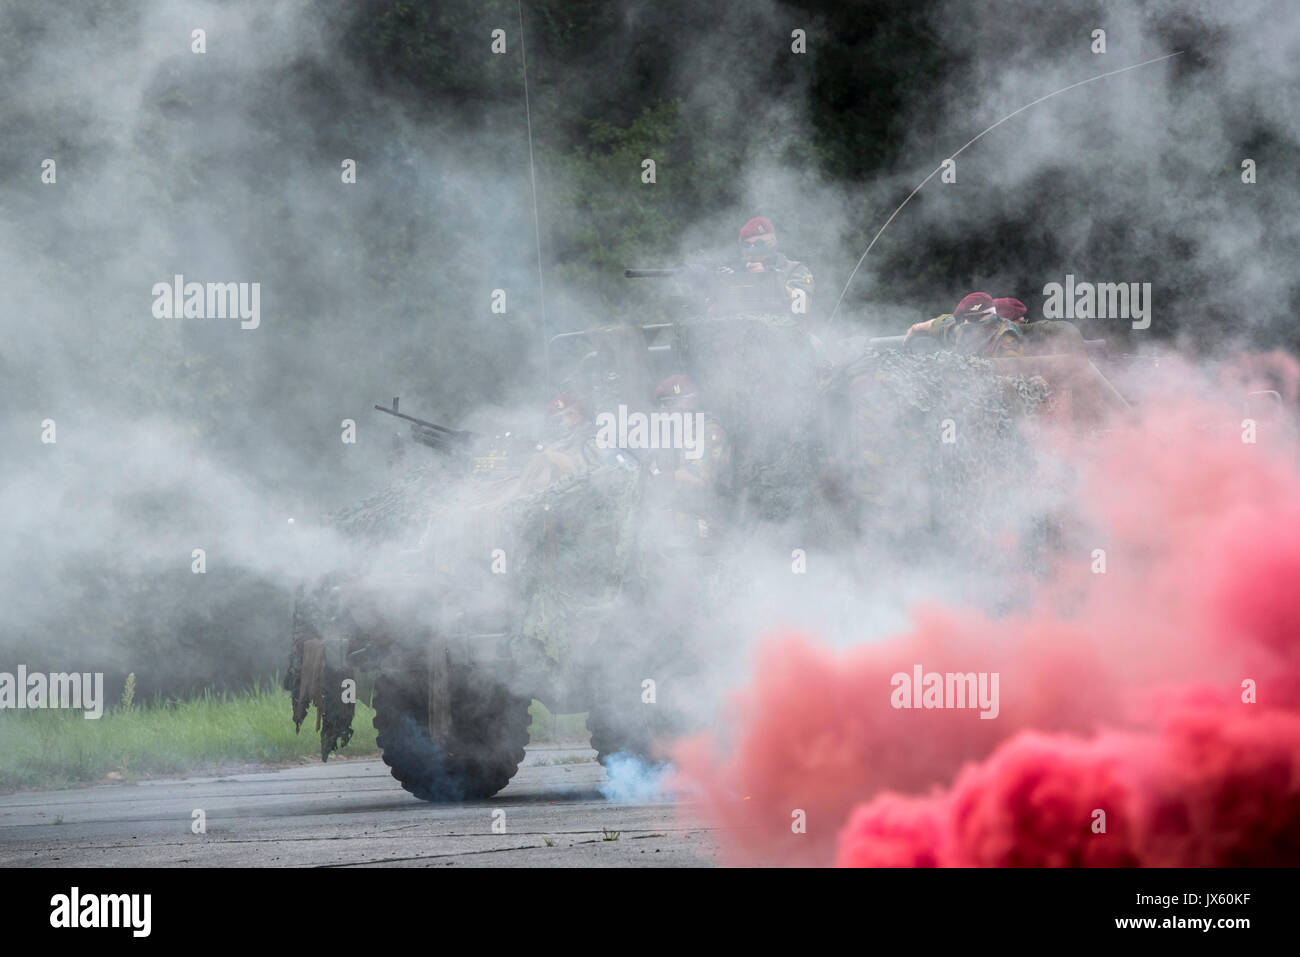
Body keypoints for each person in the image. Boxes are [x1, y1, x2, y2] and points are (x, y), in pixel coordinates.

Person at [711, 216, 814, 317]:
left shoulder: (794, 269)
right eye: (747, 245)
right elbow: (714, 312)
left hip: (784, 330)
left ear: (772, 242)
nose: (752, 250)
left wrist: (767, 278)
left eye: (759, 244)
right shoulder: (735, 272)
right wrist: (722, 289)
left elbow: (803, 305)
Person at [904, 291, 1024, 358]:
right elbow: (930, 325)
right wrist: (912, 332)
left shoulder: (1007, 340)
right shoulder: (957, 330)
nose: (965, 325)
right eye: (962, 322)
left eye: (968, 321)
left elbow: (1016, 376)